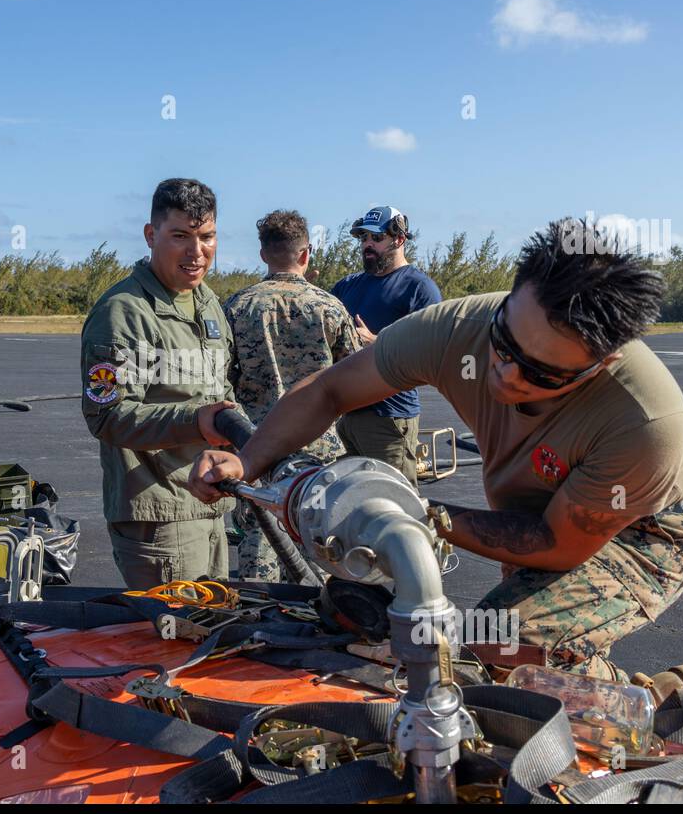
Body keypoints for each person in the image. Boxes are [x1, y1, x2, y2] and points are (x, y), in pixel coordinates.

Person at [189, 218, 683, 682]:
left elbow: (556, 545)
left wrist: (413, 514)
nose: (504, 375)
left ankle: (656, 712)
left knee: (502, 642)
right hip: (532, 506)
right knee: (504, 661)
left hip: (644, 530)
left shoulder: (645, 420)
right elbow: (331, 389)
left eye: (540, 373)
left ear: (602, 363)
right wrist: (249, 459)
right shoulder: (458, 328)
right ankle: (650, 691)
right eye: (505, 344)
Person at [81, 178, 236, 589]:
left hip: (210, 507)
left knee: (216, 635)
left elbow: (221, 389)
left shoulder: (207, 302)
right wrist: (195, 421)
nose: (196, 251)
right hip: (161, 519)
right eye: (180, 236)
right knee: (177, 640)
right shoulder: (124, 313)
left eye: (207, 237)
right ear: (151, 235)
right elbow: (108, 416)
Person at [222, 209, 359, 581]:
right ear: (306, 254)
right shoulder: (330, 307)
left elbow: (222, 378)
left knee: (258, 536)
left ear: (264, 254)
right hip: (320, 448)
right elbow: (355, 376)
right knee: (320, 539)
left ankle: (256, 619)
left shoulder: (238, 308)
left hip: (256, 446)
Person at [330, 206, 441, 485]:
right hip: (344, 417)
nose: (367, 245)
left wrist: (378, 343)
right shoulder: (347, 286)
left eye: (376, 238)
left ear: (399, 240)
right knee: (349, 503)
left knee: (396, 504)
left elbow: (433, 354)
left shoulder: (418, 288)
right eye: (363, 238)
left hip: (388, 418)